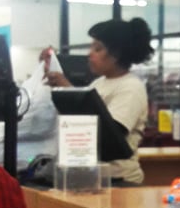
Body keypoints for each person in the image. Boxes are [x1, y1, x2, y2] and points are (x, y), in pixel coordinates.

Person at [45, 17, 154, 184]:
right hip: (94, 176)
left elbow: (110, 134)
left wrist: (67, 88)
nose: (90, 54)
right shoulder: (99, 83)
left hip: (120, 179)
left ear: (116, 54)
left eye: (98, 49)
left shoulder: (131, 87)